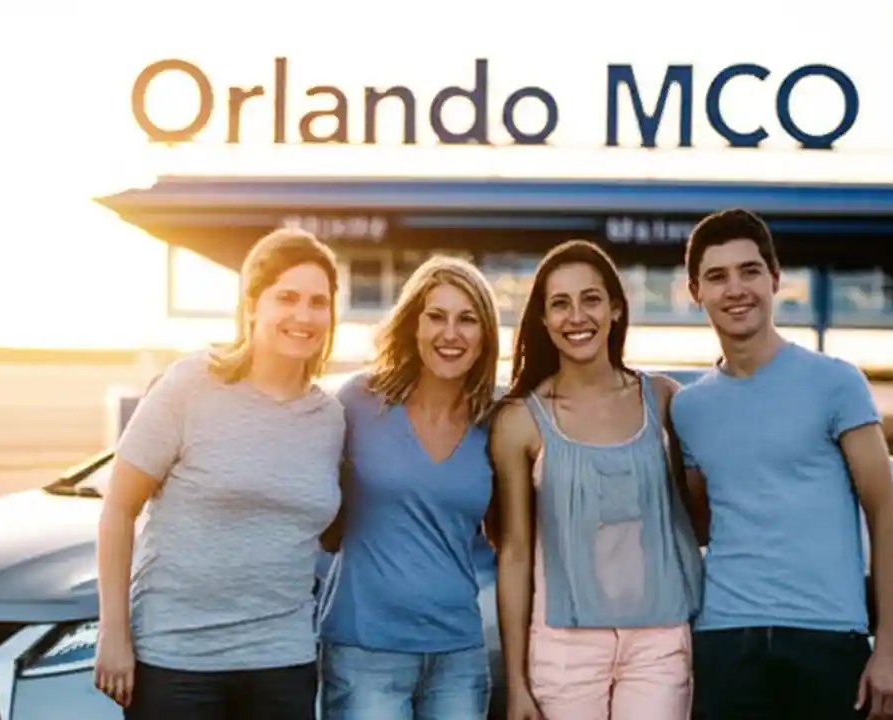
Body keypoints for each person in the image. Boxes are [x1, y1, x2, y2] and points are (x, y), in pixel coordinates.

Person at [93, 228, 346, 720]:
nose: (303, 315)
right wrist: (114, 633)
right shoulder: (192, 384)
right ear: (252, 304)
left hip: (282, 660)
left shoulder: (331, 418)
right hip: (177, 659)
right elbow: (118, 509)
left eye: (319, 302)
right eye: (286, 297)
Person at [670, 208, 893, 720]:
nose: (736, 289)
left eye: (749, 271)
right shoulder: (689, 408)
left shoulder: (837, 383)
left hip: (828, 639)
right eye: (717, 276)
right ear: (696, 292)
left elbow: (886, 517)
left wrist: (890, 648)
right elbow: (699, 526)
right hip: (726, 642)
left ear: (775, 279)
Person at [490, 240, 703, 720]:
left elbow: (699, 518)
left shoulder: (665, 400)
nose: (576, 316)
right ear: (543, 321)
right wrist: (517, 683)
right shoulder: (520, 421)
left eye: (590, 299)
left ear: (616, 308)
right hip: (563, 648)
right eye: (559, 303)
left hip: (660, 640)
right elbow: (516, 553)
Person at [318, 256, 501, 720]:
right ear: (412, 325)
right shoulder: (358, 401)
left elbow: (510, 539)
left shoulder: (494, 421)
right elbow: (316, 510)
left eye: (467, 319)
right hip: (365, 652)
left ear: (485, 335)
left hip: (458, 655)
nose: (450, 333)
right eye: (436, 317)